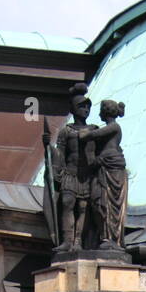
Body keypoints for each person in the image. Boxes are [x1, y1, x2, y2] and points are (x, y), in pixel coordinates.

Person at [52, 82, 97, 252]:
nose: (85, 109)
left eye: (87, 106)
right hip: (70, 174)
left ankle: (78, 241)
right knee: (67, 203)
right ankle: (67, 240)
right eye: (81, 106)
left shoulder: (94, 130)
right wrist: (56, 169)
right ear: (73, 109)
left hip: (86, 175)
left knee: (84, 207)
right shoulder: (66, 131)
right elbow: (60, 153)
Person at [87, 100, 128, 250]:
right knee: (99, 201)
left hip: (113, 168)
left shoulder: (114, 127)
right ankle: (103, 235)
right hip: (104, 167)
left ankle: (112, 238)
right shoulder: (110, 127)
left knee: (111, 202)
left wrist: (82, 131)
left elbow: (93, 135)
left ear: (106, 112)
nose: (98, 114)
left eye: (100, 111)